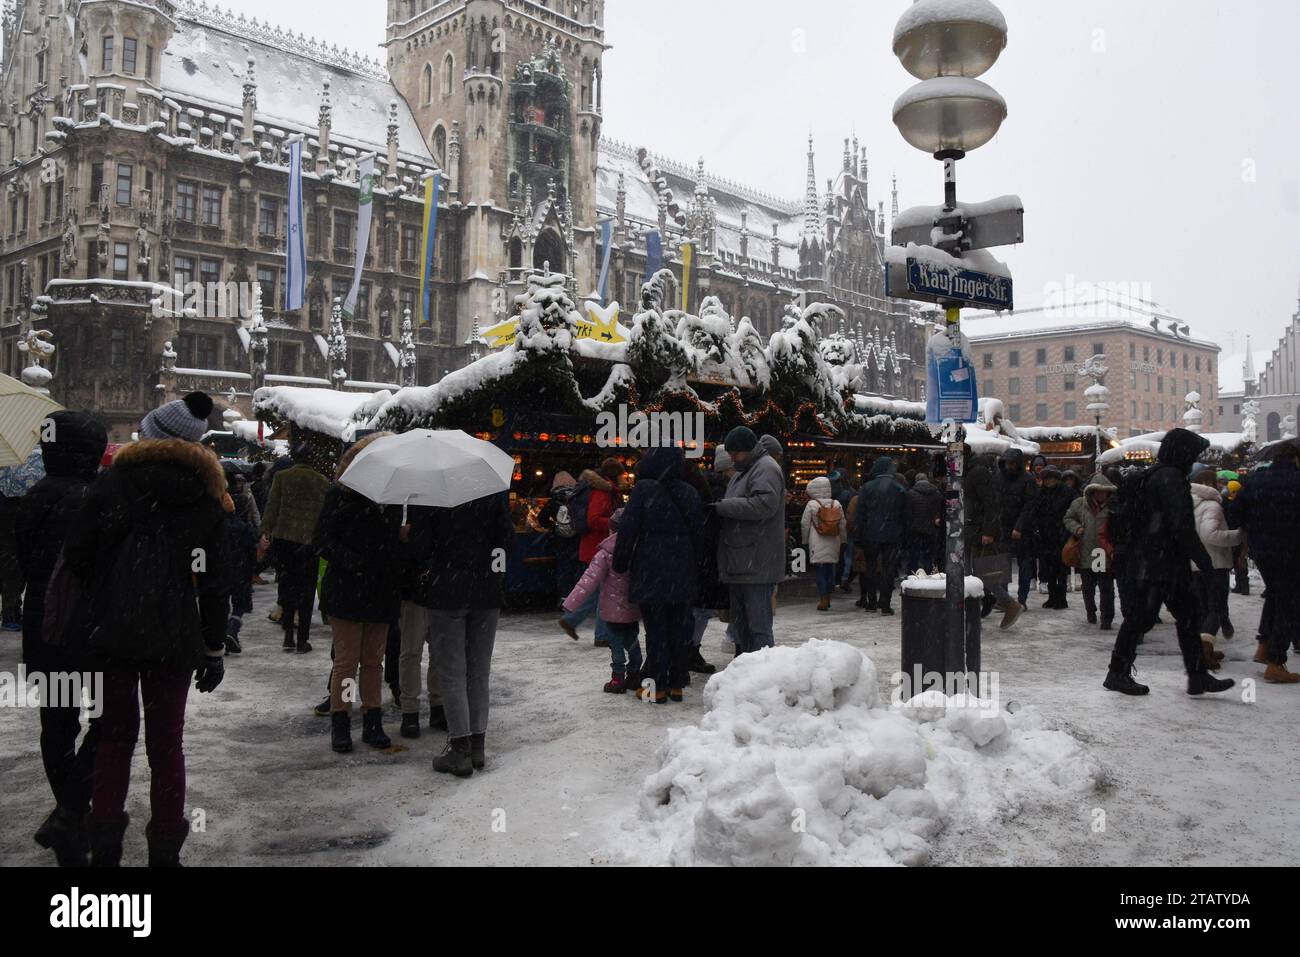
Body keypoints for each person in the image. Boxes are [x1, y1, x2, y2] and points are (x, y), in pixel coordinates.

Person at [63, 393, 231, 866]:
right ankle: (163, 851)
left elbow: (77, 558)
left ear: (151, 432)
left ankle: (106, 846)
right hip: (173, 640)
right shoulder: (206, 498)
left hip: (111, 636)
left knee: (113, 739)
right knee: (166, 744)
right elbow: (217, 584)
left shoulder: (110, 485)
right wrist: (214, 646)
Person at [16, 411, 108, 866]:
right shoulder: (98, 498)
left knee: (57, 724)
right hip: (93, 628)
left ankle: (71, 813)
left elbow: (18, 562)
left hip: (43, 629)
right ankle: (71, 811)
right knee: (107, 722)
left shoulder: (31, 497)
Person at [1104, 428, 1234, 697]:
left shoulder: (1156, 474)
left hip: (1154, 561)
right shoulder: (1171, 477)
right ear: (1183, 453)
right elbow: (1180, 525)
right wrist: (1203, 560)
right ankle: (1118, 672)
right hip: (1161, 564)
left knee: (1185, 615)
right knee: (1145, 618)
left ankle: (1197, 675)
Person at [313, 434, 404, 753]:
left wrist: (399, 542)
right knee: (347, 661)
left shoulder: (393, 502)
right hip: (348, 590)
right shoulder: (340, 496)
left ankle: (373, 720)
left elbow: (392, 546)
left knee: (373, 661)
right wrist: (356, 562)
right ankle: (342, 720)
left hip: (381, 592)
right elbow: (322, 540)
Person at [417, 486, 514, 775]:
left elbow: (420, 551)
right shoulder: (490, 496)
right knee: (478, 672)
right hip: (486, 595)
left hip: (446, 594)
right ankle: (478, 746)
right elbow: (507, 542)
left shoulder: (431, 498)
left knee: (451, 673)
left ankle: (460, 750)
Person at [613, 446, 702, 702]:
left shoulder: (643, 490)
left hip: (651, 570)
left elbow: (628, 530)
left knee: (655, 632)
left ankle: (656, 687)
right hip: (682, 571)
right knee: (678, 631)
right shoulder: (690, 492)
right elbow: (699, 535)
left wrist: (620, 562)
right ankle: (676, 684)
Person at [1226, 441, 1300, 684]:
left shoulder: (1256, 480)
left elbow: (1234, 513)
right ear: (1295, 459)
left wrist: (1255, 526)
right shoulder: (1296, 481)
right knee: (1287, 603)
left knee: (1276, 596)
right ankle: (1276, 662)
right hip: (1291, 551)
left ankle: (1264, 645)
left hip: (1262, 552)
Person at [714, 427, 786, 654]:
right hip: (743, 560)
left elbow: (764, 504)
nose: (732, 458)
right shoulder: (745, 470)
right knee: (743, 627)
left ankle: (762, 676)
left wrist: (723, 508)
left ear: (747, 449)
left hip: (756, 562)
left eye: (735, 453)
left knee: (757, 627)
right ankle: (745, 674)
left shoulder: (765, 468)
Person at [260, 444, 331, 652]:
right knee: (306, 591)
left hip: (284, 539)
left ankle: (288, 633)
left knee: (288, 585)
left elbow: (272, 507)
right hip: (309, 544)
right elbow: (324, 515)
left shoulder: (282, 477)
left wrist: (265, 532)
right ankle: (303, 638)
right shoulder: (322, 482)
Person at [564, 508, 642, 693]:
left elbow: (588, 582)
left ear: (611, 530)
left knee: (616, 646)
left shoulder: (604, 553)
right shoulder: (639, 549)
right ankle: (634, 674)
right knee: (633, 642)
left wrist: (571, 603)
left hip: (612, 613)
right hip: (633, 609)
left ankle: (617, 679)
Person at [558, 458, 624, 647]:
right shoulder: (603, 493)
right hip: (599, 548)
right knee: (605, 592)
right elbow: (593, 520)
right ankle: (602, 635)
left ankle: (570, 620)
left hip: (595, 547)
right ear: (614, 476)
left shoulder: (604, 490)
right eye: (621, 475)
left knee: (597, 592)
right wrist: (616, 521)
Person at [395, 505, 445, 738]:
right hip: (416, 583)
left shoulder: (439, 499)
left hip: (436, 583)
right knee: (412, 650)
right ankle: (413, 710)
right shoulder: (403, 501)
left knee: (436, 651)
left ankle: (431, 706)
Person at [963, 446, 1023, 629]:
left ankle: (1008, 603)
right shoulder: (973, 471)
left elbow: (990, 502)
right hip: (974, 529)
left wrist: (988, 531)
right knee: (976, 572)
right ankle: (979, 610)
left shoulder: (977, 472)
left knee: (982, 572)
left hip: (979, 530)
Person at [1189, 468, 1240, 672]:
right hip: (1215, 563)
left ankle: (1203, 648)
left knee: (1202, 608)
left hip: (1195, 564)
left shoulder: (1188, 503)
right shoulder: (1212, 505)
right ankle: (1204, 649)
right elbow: (1210, 534)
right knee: (1216, 609)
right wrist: (1237, 536)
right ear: (1210, 484)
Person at [854, 457, 908, 615]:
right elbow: (904, 515)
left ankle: (871, 602)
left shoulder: (866, 488)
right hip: (891, 535)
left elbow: (860, 514)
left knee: (870, 568)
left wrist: (859, 534)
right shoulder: (899, 489)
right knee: (888, 569)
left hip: (870, 534)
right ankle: (885, 603)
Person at [1064, 472, 1117, 629]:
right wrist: (1077, 528)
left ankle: (1107, 618)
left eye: (1104, 491)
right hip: (1086, 552)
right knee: (1088, 587)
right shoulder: (1080, 504)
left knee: (1106, 588)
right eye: (1098, 491)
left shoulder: (1113, 507)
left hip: (1105, 553)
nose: (1101, 494)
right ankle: (1091, 612)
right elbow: (1068, 518)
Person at [220, 463, 259, 655]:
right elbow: (251, 549)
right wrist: (252, 568)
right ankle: (232, 630)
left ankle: (220, 635)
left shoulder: (215, 526)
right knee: (238, 604)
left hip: (219, 568)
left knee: (219, 602)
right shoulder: (243, 527)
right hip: (240, 568)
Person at [996, 448, 1039, 608]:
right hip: (1004, 526)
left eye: (1012, 463)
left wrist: (1019, 526)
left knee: (1024, 564)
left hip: (1023, 529)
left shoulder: (1027, 479)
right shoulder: (999, 478)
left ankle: (1021, 599)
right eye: (1007, 463)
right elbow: (996, 502)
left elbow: (1030, 506)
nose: (1009, 466)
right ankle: (1005, 599)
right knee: (1003, 564)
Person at [1028, 466, 1074, 609]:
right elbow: (1034, 510)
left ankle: (1062, 598)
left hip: (1061, 534)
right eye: (1047, 479)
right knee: (1049, 568)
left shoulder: (1066, 492)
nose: (1049, 481)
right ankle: (1052, 597)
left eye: (1052, 478)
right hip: (1045, 535)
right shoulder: (1041, 493)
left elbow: (1071, 512)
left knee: (1061, 568)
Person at [801, 475, 846, 611]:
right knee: (830, 569)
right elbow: (843, 524)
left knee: (820, 570)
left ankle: (823, 599)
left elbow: (804, 524)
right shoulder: (836, 504)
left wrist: (804, 540)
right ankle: (829, 595)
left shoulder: (811, 504)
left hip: (817, 540)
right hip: (834, 539)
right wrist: (843, 540)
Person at [536, 471, 582, 602]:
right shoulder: (578, 498)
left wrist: (554, 526)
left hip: (560, 540)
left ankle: (564, 598)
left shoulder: (554, 500)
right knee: (577, 567)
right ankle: (577, 598)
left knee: (563, 567)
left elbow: (541, 519)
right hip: (577, 540)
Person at [904, 471, 942, 575]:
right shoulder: (937, 493)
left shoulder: (910, 494)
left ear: (916, 481)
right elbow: (941, 510)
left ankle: (913, 577)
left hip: (915, 531)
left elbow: (907, 513)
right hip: (931, 530)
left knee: (913, 557)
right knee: (929, 557)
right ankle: (929, 575)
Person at [0, 491, 21, 631]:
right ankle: (9, 615)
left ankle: (14, 612)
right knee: (12, 579)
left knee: (14, 579)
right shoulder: (13, 498)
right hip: (9, 543)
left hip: (9, 543)